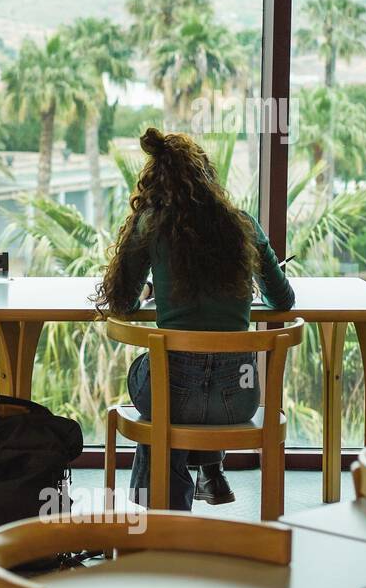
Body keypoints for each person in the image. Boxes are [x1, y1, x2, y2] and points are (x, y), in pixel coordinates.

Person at [93, 127, 295, 510]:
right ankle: (209, 467)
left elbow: (121, 302)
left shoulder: (150, 225)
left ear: (155, 180)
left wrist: (153, 287)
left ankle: (160, 513)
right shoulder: (243, 225)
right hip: (238, 400)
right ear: (208, 177)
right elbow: (283, 299)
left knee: (160, 387)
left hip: (175, 397)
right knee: (177, 384)